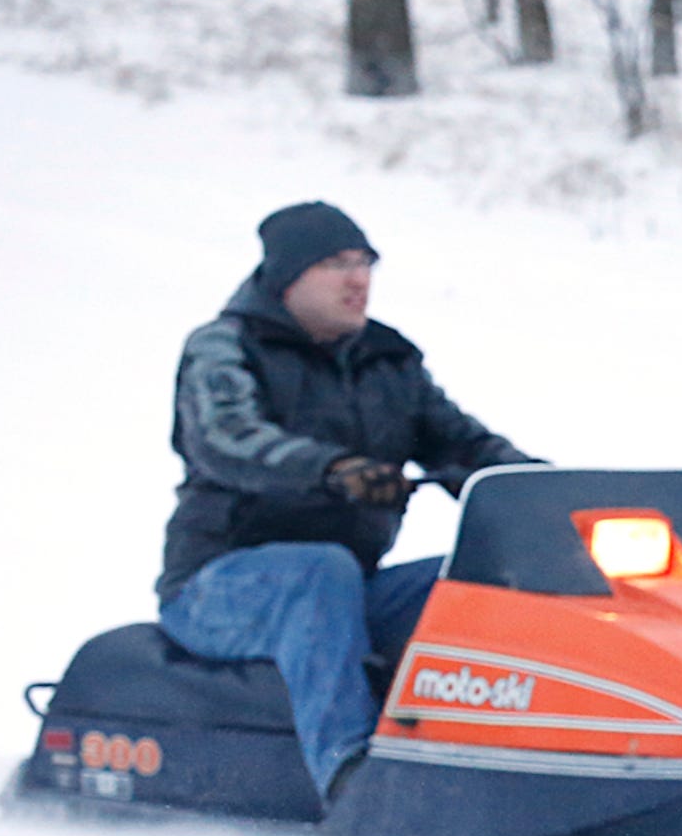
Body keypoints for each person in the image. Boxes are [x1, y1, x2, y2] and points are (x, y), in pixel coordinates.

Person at [158, 201, 538, 800]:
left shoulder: (387, 361)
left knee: (469, 583)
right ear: (287, 277)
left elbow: (464, 443)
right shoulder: (225, 348)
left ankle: (511, 762)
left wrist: (533, 486)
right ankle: (351, 778)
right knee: (320, 569)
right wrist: (334, 470)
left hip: (346, 588)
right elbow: (226, 438)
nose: (358, 279)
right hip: (216, 588)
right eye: (336, 264)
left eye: (365, 264)